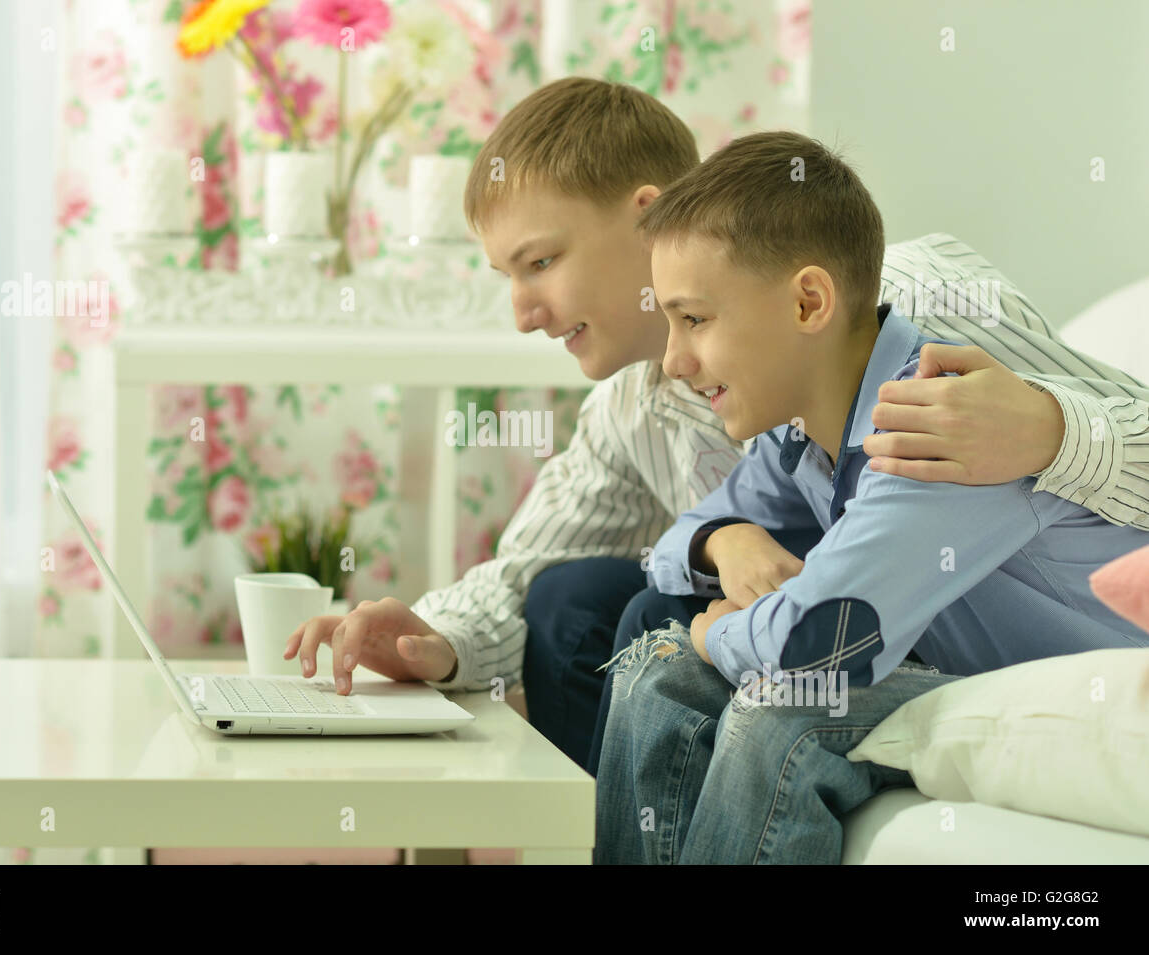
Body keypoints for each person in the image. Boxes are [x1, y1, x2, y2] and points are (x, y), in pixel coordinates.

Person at [282, 78, 1149, 777]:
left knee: (662, 623)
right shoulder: (633, 409)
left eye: (540, 262)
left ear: (648, 216)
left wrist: (1051, 429)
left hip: (897, 631)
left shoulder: (917, 310)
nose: (521, 312)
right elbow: (527, 569)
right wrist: (433, 640)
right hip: (812, 633)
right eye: (507, 275)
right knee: (576, 597)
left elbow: (1122, 440)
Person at [593, 129, 1149, 864]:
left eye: (694, 319)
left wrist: (711, 631)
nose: (672, 360)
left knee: (768, 704)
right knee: (653, 669)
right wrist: (724, 539)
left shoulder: (935, 427)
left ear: (809, 302)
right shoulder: (799, 436)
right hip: (961, 673)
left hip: (1087, 691)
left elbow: (817, 646)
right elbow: (677, 541)